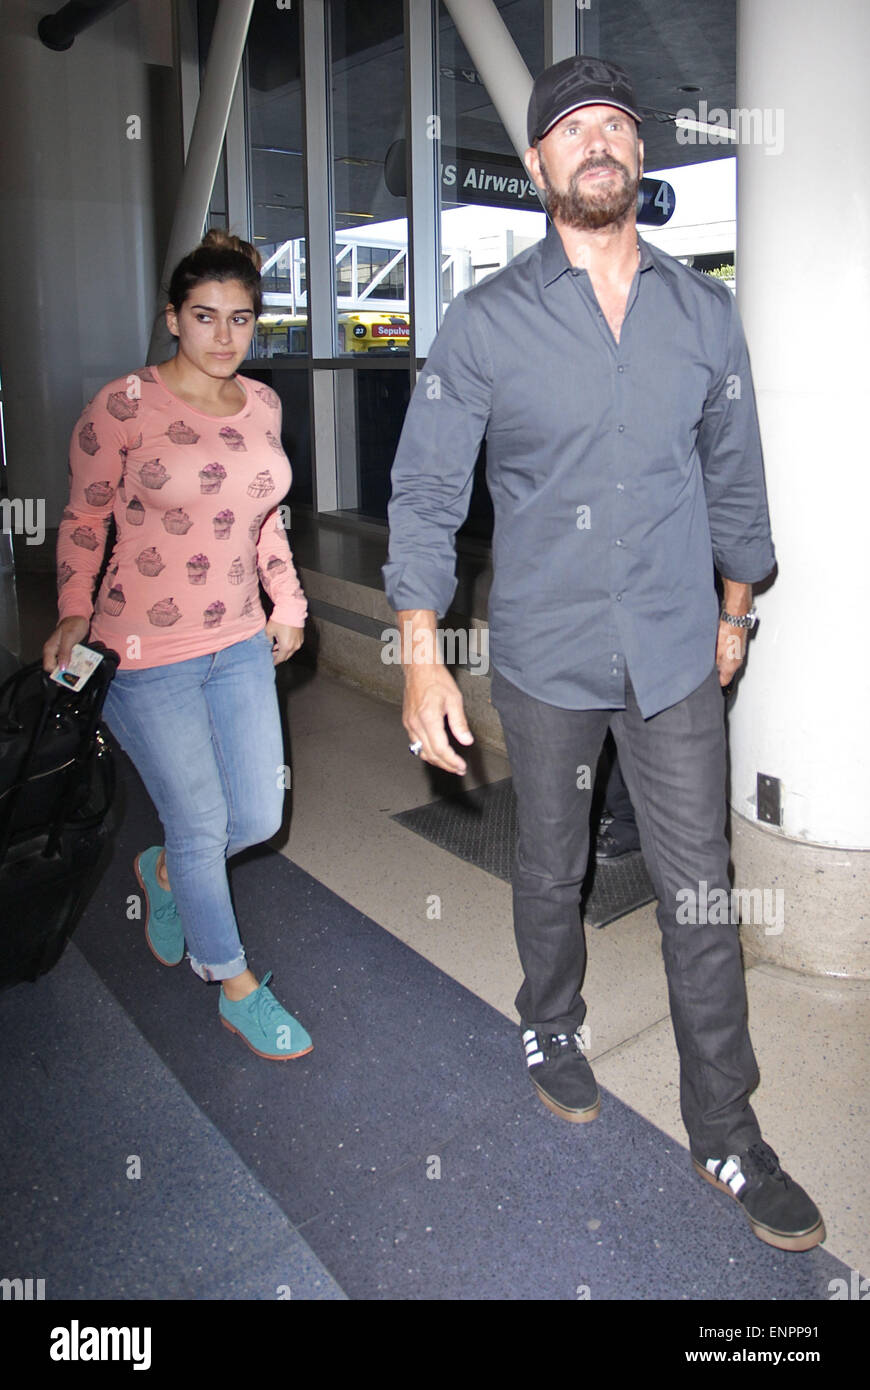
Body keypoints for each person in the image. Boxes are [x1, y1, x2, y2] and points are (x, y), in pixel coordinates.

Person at [383, 56, 824, 1251]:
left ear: (641, 159)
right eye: (572, 127)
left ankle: (726, 1129)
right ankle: (549, 1021)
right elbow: (426, 491)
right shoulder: (486, 324)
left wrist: (735, 613)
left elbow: (738, 482)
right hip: (546, 651)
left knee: (701, 891)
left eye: (617, 126)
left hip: (679, 652)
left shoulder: (701, 315)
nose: (597, 142)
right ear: (537, 166)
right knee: (552, 861)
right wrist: (421, 653)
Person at [43, 229, 313, 1062]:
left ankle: (164, 873)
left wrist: (289, 601)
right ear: (173, 319)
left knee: (259, 814)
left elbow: (263, 518)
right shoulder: (123, 406)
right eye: (205, 317)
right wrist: (69, 610)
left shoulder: (263, 405)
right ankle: (232, 983)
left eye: (241, 319)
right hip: (144, 648)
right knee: (201, 819)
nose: (225, 337)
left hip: (237, 639)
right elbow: (86, 516)